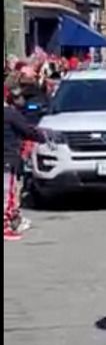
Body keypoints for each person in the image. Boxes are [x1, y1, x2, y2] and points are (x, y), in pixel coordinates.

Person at [4, 90, 46, 241]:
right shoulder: (10, 114)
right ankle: (6, 226)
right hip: (7, 158)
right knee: (8, 193)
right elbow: (27, 131)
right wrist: (42, 136)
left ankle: (15, 220)